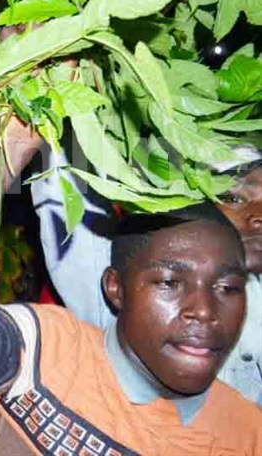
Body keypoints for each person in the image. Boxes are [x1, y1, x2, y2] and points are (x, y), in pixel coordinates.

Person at [0, 111, 261, 449]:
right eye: (169, 283)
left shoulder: (246, 434)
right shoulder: (50, 352)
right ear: (114, 288)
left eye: (228, 289)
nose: (204, 311)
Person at [33, 146, 262, 405]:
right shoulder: (133, 283)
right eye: (233, 199)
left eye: (228, 289)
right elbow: (70, 189)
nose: (258, 217)